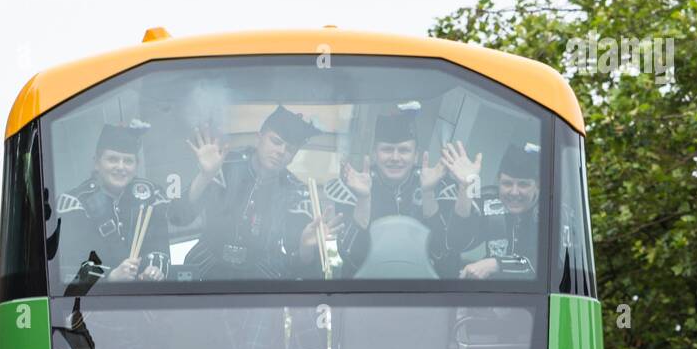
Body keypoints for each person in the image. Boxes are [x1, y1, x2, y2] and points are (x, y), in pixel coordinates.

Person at [171, 106, 337, 281]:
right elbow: (178, 217)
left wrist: (305, 246)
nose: (281, 151)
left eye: (290, 148)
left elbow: (300, 267)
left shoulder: (295, 191)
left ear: (294, 155)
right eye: (276, 141)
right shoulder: (223, 164)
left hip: (263, 275)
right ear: (259, 138)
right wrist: (205, 176)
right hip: (206, 263)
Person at [327, 113, 480, 277]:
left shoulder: (439, 185)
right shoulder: (352, 188)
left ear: (416, 156)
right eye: (387, 149)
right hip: (368, 294)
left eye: (404, 150)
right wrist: (364, 199)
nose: (395, 157)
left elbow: (455, 246)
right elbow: (351, 258)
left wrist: (465, 187)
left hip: (428, 294)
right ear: (374, 154)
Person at [56, 123, 171, 291]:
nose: (121, 167)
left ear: (136, 166)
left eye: (128, 161)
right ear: (97, 163)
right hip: (97, 308)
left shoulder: (151, 197)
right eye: (113, 159)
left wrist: (154, 270)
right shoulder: (74, 203)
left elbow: (161, 247)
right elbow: (72, 267)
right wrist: (112, 277)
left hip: (145, 302)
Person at [460, 143, 540, 280]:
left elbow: (546, 264)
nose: (514, 192)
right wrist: (465, 187)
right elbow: (458, 242)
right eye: (507, 183)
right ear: (498, 182)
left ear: (537, 185)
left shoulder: (553, 213)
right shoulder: (490, 201)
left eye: (523, 184)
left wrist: (496, 264)